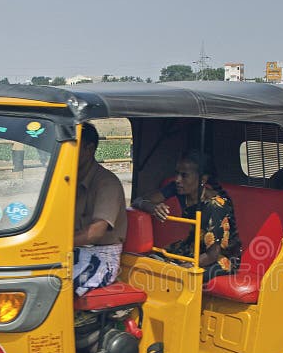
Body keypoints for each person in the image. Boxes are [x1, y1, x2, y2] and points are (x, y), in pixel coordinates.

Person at [132, 150, 241, 282]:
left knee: (182, 275)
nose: (178, 180)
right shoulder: (178, 189)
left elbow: (213, 254)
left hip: (218, 258)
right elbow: (138, 201)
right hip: (192, 246)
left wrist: (183, 266)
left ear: (202, 179)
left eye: (184, 175)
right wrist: (153, 208)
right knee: (150, 262)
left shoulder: (216, 206)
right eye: (177, 174)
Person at [72, 123, 127, 296]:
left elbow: (96, 232)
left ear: (89, 149)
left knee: (59, 289)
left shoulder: (107, 183)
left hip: (101, 257)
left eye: (72, 147)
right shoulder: (68, 179)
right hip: (74, 251)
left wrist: (55, 243)